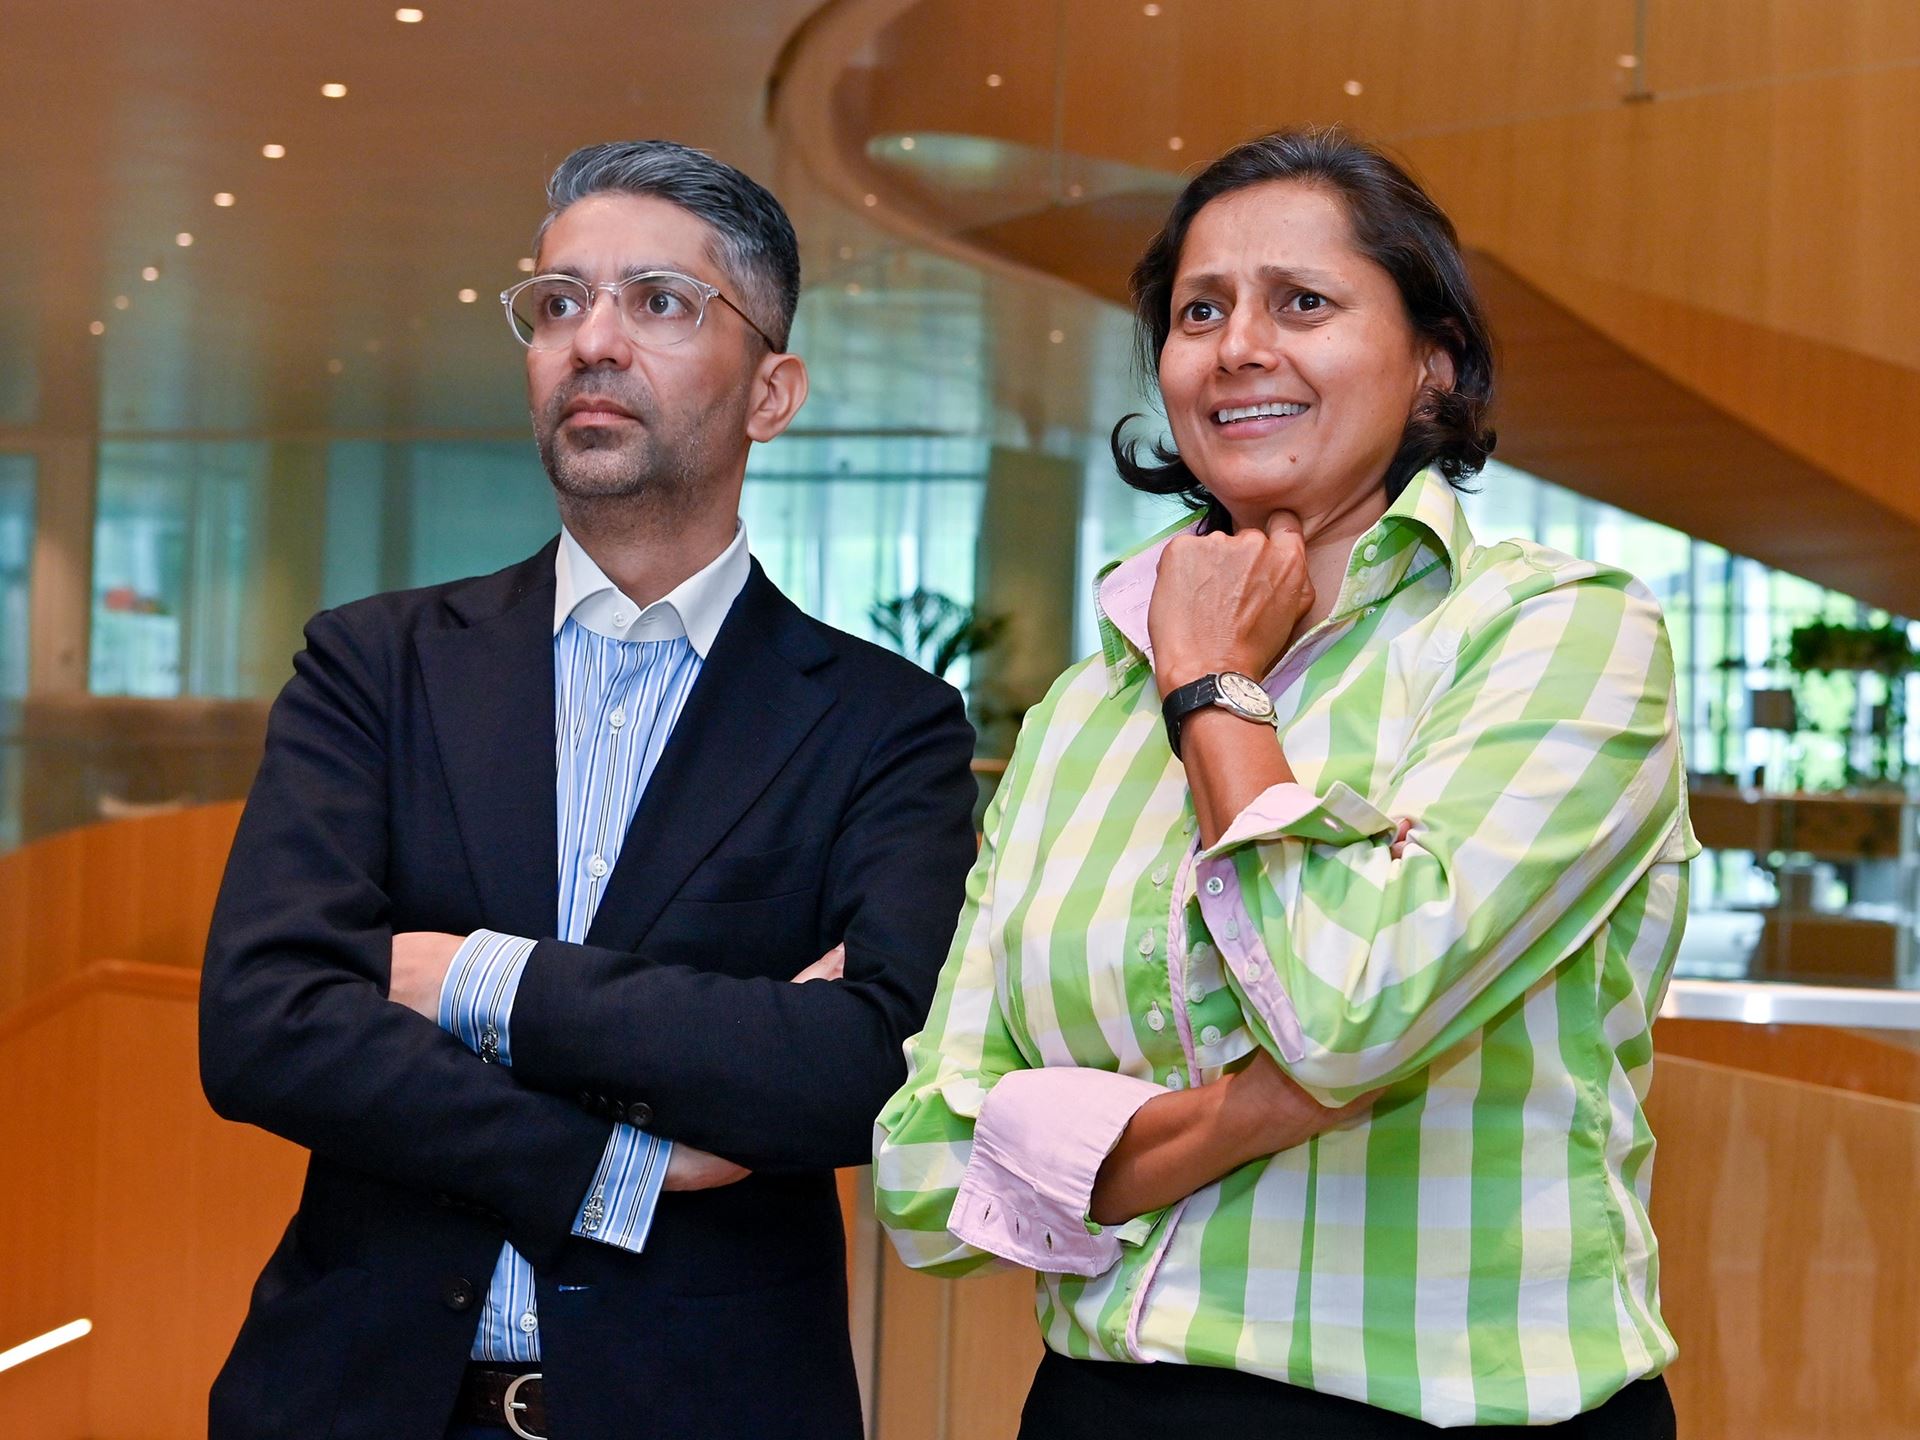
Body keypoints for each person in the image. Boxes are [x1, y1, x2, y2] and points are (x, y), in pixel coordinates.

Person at [874, 127, 1694, 1436]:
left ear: (1433, 362)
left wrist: (1213, 689)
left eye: (1303, 302)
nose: (1238, 346)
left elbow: (1347, 1011)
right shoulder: (1085, 707)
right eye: (1200, 311)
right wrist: (1261, 1107)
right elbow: (927, 1168)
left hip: (1455, 1416)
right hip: (1102, 1409)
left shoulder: (1559, 635)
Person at [198, 139, 979, 1440]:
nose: (592, 342)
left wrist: (470, 980)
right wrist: (610, 1167)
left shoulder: (882, 724)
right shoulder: (377, 665)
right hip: (359, 1401)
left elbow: (869, 1064)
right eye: (559, 302)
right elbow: (264, 1025)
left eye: (659, 301)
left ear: (772, 390)